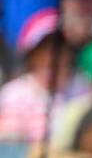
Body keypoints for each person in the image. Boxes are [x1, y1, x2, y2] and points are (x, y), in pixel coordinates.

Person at [0, 8, 75, 143]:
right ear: (31, 55)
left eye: (59, 49)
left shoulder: (82, 90)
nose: (51, 58)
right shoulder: (14, 95)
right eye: (43, 49)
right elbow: (10, 150)